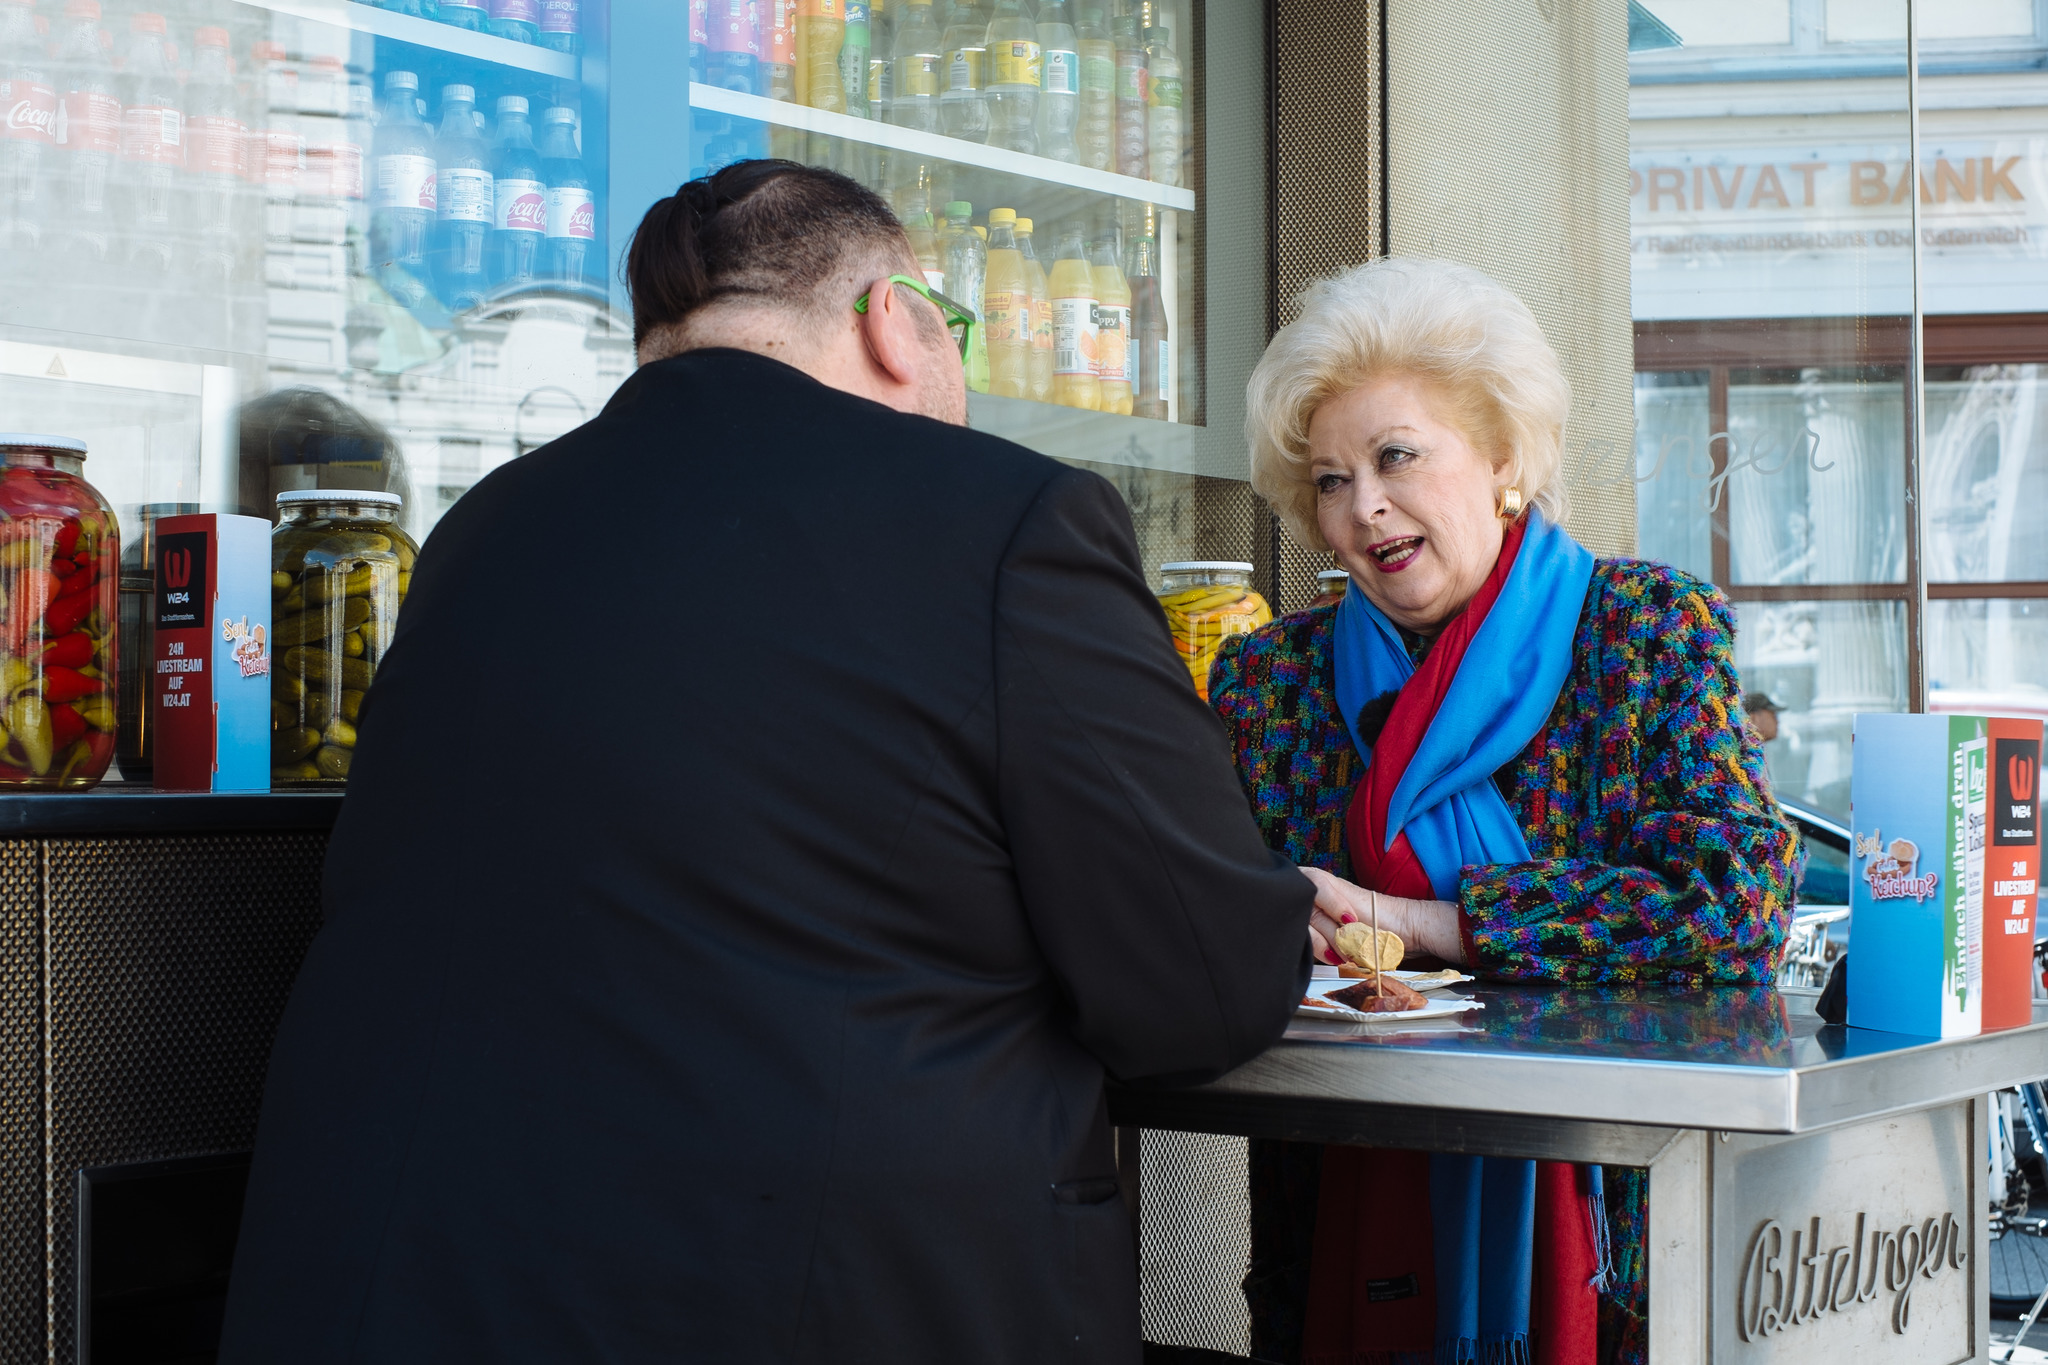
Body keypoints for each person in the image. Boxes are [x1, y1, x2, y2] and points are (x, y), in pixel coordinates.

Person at [217, 160, 1315, 1365]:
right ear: (894, 323)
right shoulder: (1008, 519)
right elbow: (1200, 989)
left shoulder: (482, 530)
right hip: (810, 1298)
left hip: (399, 1289)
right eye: (949, 328)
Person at [1213, 258, 1799, 1365]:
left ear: (1501, 463)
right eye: (1329, 481)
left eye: (1394, 457)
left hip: (1612, 1243)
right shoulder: (1268, 683)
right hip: (1331, 1211)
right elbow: (1201, 911)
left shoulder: (1637, 629)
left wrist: (1419, 923)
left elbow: (1732, 906)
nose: (1362, 506)